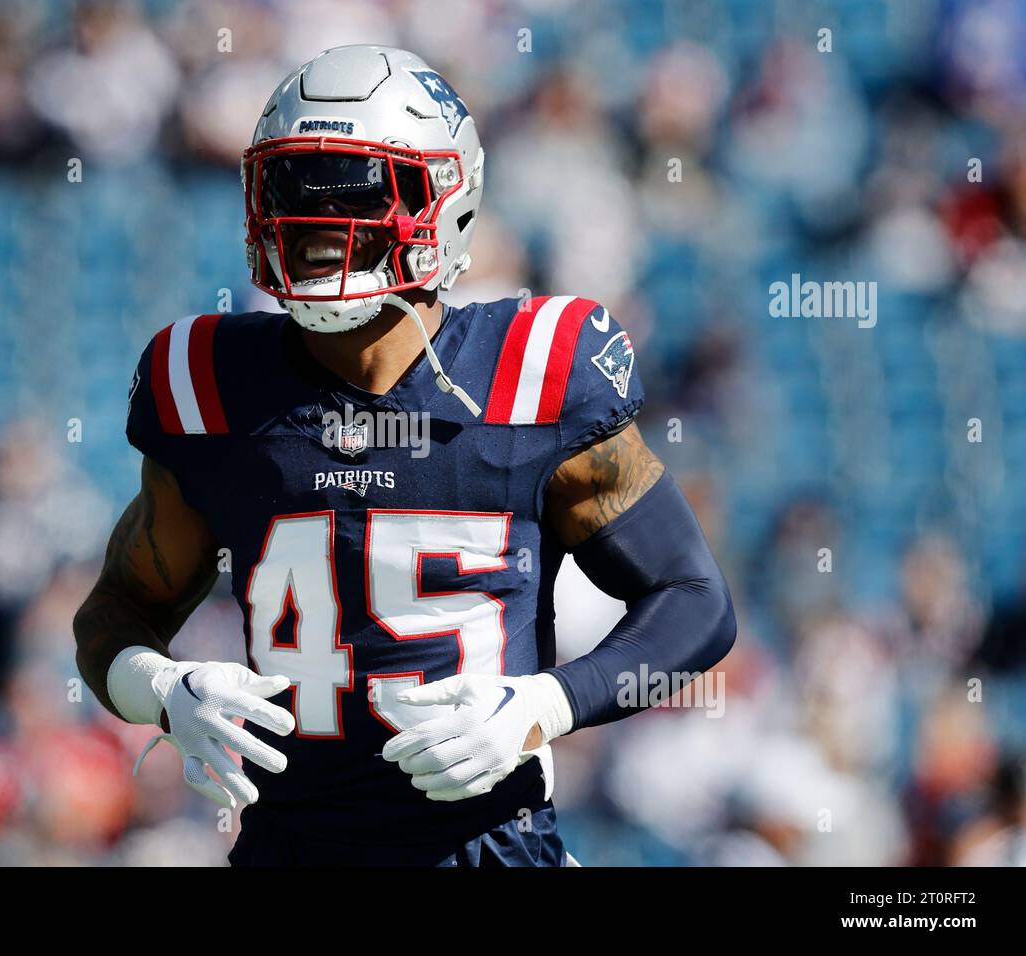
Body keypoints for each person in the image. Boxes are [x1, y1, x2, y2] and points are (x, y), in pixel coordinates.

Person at [73, 45, 735, 867]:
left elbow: (694, 600)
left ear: (443, 199)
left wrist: (544, 704)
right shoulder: (208, 382)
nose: (316, 222)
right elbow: (115, 612)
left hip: (487, 849)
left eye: (352, 187)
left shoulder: (533, 369)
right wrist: (164, 691)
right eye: (293, 187)